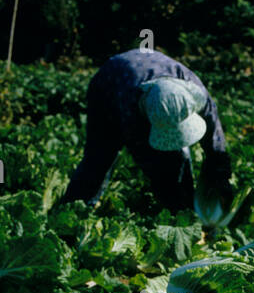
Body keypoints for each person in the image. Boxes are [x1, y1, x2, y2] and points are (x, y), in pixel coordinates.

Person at [60, 48, 233, 213]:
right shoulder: (131, 112)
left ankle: (184, 209)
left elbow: (214, 135)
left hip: (144, 72)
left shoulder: (195, 91)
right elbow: (148, 157)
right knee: (99, 156)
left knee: (181, 159)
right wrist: (170, 192)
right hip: (108, 86)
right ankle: (76, 209)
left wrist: (220, 174)